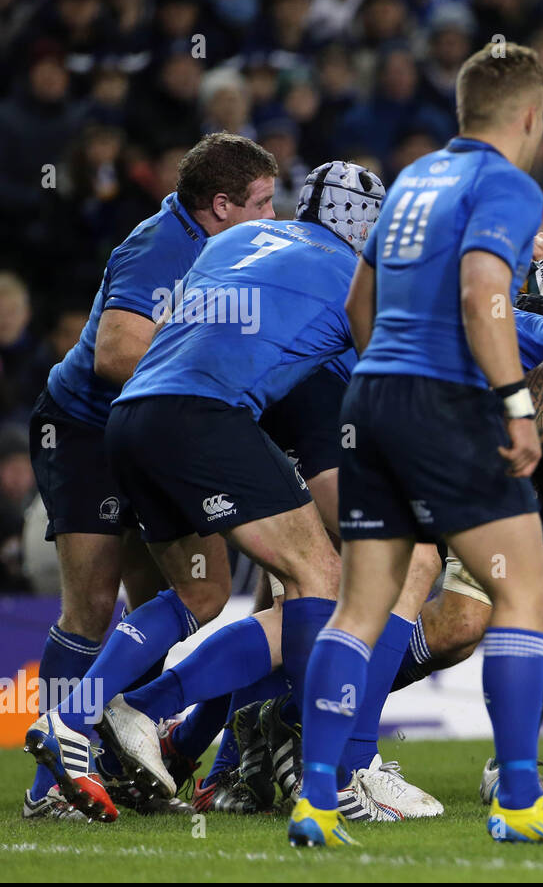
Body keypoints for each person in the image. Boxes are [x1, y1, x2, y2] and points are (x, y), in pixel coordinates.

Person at [292, 42, 543, 848]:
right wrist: (511, 403)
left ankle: (317, 799)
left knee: (362, 608)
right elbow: (483, 293)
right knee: (526, 592)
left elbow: (361, 297)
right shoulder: (504, 183)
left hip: (370, 402)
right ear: (532, 116)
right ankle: (518, 800)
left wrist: (381, 378)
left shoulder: (413, 181)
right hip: (442, 403)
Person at [23, 161, 394, 826]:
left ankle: (77, 717)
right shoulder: (348, 274)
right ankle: (326, 781)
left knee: (202, 591)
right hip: (195, 419)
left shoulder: (232, 244)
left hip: (131, 420)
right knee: (318, 576)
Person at [22, 133, 278, 821]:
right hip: (87, 431)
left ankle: (119, 766)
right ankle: (52, 786)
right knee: (92, 604)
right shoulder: (160, 246)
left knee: (183, 597)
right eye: (262, 202)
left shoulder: (234, 248)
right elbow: (114, 352)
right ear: (221, 205)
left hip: (161, 434)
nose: (274, 216)